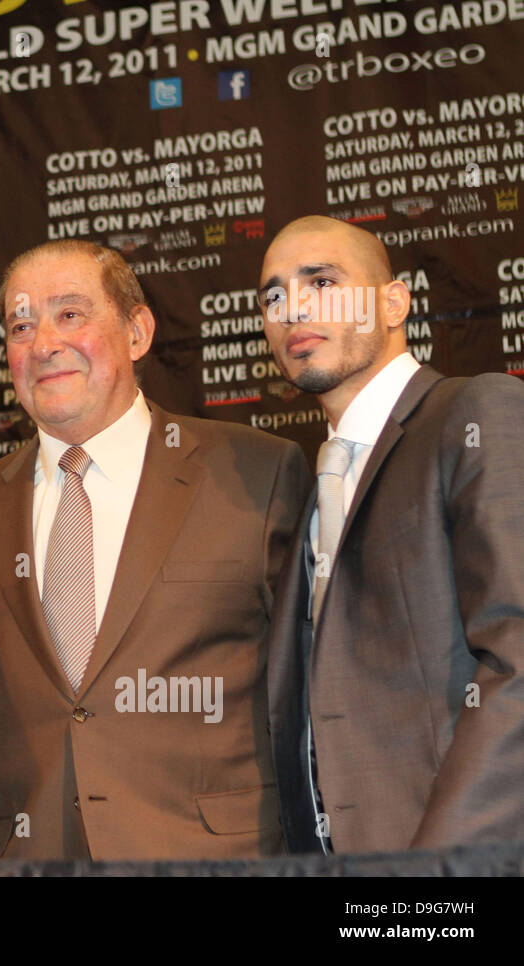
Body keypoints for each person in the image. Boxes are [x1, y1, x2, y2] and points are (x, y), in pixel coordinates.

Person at [0, 240, 311, 863]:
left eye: (70, 314)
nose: (44, 342)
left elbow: (305, 701)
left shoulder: (256, 475)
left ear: (137, 331)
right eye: (21, 324)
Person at [257, 216, 524, 854]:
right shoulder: (311, 486)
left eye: (321, 280)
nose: (292, 307)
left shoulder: (472, 412)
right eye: (271, 296)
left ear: (394, 301)